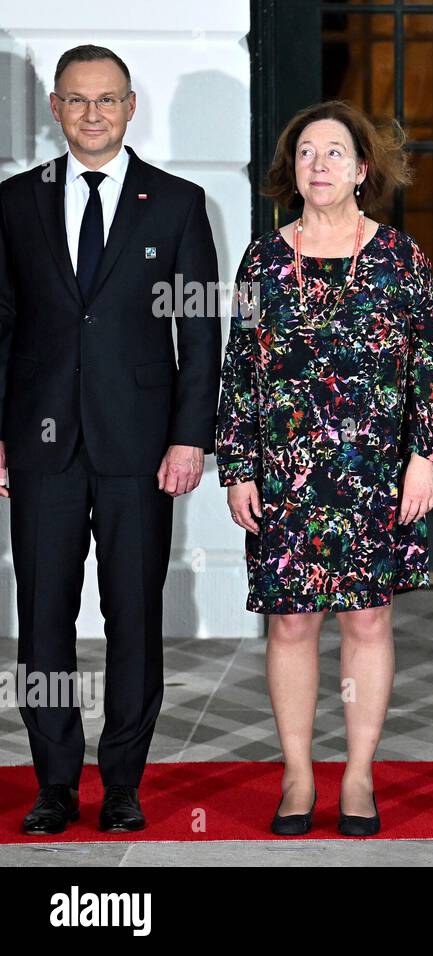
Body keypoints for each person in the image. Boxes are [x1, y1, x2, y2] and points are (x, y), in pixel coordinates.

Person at [0, 45, 220, 835]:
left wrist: (191, 439)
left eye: (108, 100)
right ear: (56, 110)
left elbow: (200, 330)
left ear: (131, 108)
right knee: (45, 620)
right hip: (40, 446)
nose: (94, 114)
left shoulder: (178, 202)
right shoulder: (14, 202)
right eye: (77, 100)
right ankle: (55, 785)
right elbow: (2, 325)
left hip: (141, 449)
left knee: (134, 616)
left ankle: (122, 782)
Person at [216, 101, 433, 837]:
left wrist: (424, 459)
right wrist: (238, 467)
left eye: (335, 152)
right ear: (294, 168)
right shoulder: (262, 259)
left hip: (376, 472)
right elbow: (239, 370)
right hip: (285, 475)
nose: (319, 164)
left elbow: (428, 371)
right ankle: (295, 775)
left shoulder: (402, 259)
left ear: (363, 168)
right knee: (290, 626)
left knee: (368, 619)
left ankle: (356, 775)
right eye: (307, 152)